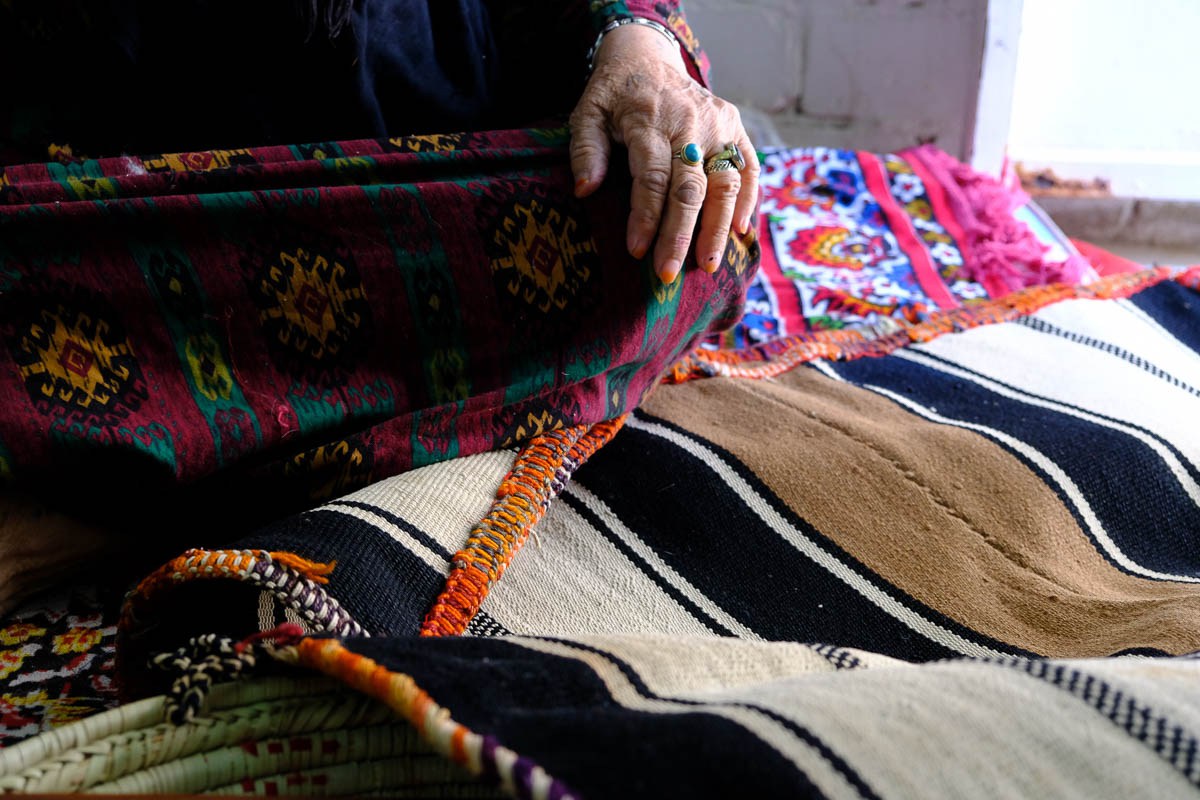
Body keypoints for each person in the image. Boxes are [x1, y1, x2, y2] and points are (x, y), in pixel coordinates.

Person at [0, 0, 762, 605]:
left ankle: (116, 511)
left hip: (419, 163)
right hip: (114, 176)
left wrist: (643, 48)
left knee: (682, 229)